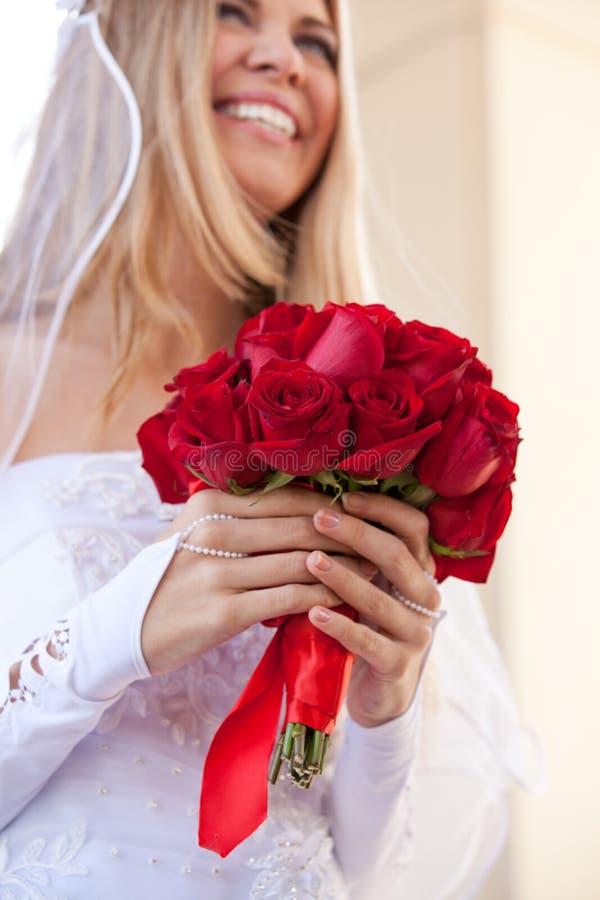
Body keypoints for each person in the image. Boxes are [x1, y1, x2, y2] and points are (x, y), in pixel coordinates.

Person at [0, 1, 542, 898]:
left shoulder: (374, 423)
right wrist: (114, 634)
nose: (285, 60)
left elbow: (372, 871)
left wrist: (383, 708)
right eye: (235, 12)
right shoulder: (11, 370)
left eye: (316, 41)